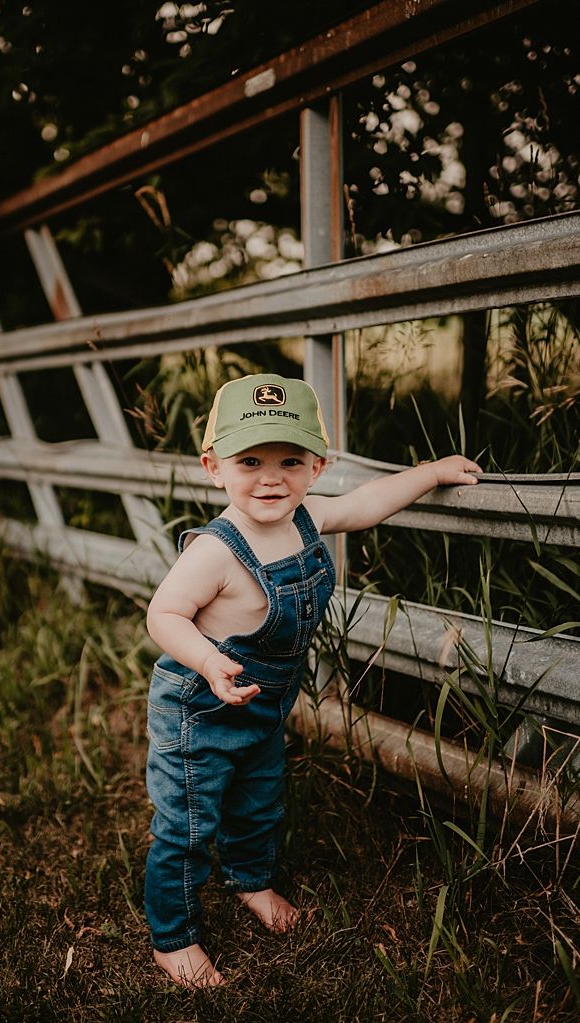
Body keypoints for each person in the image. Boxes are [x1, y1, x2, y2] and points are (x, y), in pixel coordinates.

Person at [144, 372, 480, 988]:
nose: (271, 477)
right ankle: (173, 937)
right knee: (189, 824)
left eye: (289, 460)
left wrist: (429, 472)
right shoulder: (215, 551)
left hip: (264, 708)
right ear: (214, 467)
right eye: (250, 461)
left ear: (317, 467)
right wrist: (208, 661)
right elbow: (163, 614)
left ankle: (252, 882)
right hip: (199, 710)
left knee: (259, 804)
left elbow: (367, 505)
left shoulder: (308, 518)